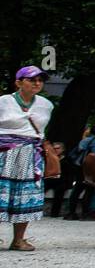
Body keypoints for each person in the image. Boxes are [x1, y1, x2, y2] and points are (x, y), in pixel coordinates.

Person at [0, 66, 55, 251]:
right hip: (4, 152)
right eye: (32, 80)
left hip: (31, 154)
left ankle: (18, 239)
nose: (37, 83)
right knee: (1, 192)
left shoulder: (46, 104)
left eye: (40, 80)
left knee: (27, 194)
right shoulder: (4, 102)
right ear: (18, 82)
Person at [64, 124, 95, 221]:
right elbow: (93, 155)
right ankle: (86, 213)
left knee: (77, 190)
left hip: (78, 166)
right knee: (89, 190)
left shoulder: (86, 139)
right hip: (87, 168)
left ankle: (71, 212)